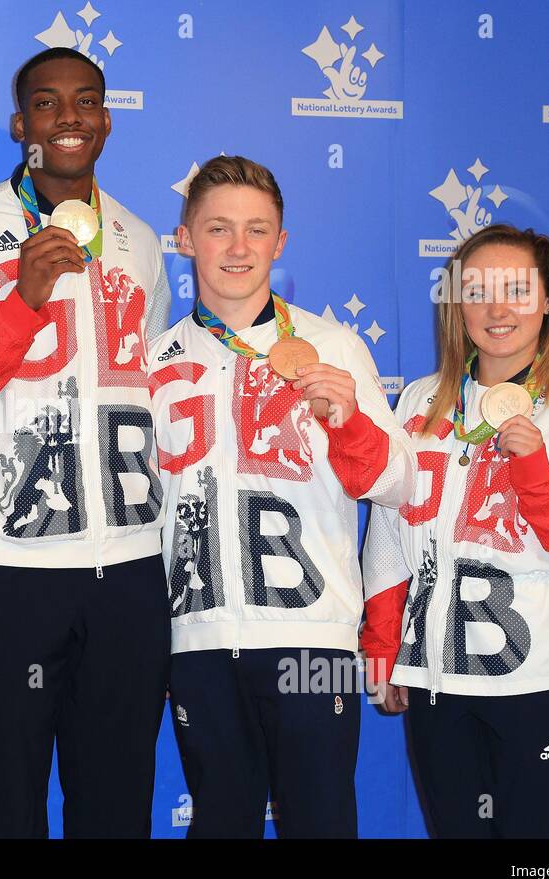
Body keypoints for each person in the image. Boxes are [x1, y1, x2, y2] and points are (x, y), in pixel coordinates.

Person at [0, 47, 171, 838]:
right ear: (20, 124)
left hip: (129, 562)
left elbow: (150, 390)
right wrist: (23, 300)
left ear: (105, 118)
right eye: (48, 102)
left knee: (117, 794)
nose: (69, 117)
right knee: (8, 792)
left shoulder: (138, 237)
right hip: (12, 567)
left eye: (86, 100)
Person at [147, 155, 414, 838]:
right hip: (199, 637)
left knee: (320, 821)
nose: (238, 248)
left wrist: (349, 420)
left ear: (281, 243)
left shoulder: (333, 346)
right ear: (184, 239)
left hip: (311, 641)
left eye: (257, 230)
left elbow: (398, 485)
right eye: (218, 229)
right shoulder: (153, 359)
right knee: (221, 821)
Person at [361, 223, 549, 838]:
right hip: (436, 679)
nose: (497, 308)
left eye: (516, 289)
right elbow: (387, 536)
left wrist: (535, 473)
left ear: (547, 303)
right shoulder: (420, 404)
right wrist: (383, 649)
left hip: (540, 681)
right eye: (476, 290)